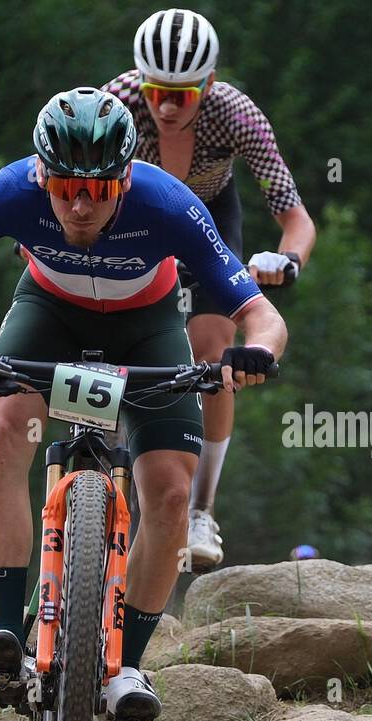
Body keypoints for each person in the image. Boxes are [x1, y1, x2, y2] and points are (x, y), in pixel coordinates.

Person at [0, 87, 287, 721]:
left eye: (98, 192)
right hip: (48, 313)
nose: (79, 205)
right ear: (40, 174)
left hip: (149, 326)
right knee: (2, 429)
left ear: (125, 180)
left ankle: (126, 663)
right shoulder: (8, 191)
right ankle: (6, 637)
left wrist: (256, 353)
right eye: (65, 188)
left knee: (169, 494)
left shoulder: (169, 203)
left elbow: (260, 315)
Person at [104, 8, 315, 572]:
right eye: (158, 92)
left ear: (210, 86)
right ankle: (101, 473)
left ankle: (202, 509)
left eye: (184, 95)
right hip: (133, 216)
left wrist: (285, 260)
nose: (168, 107)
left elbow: (297, 219)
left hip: (207, 221)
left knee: (215, 354)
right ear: (139, 79)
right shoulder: (115, 104)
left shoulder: (237, 115)